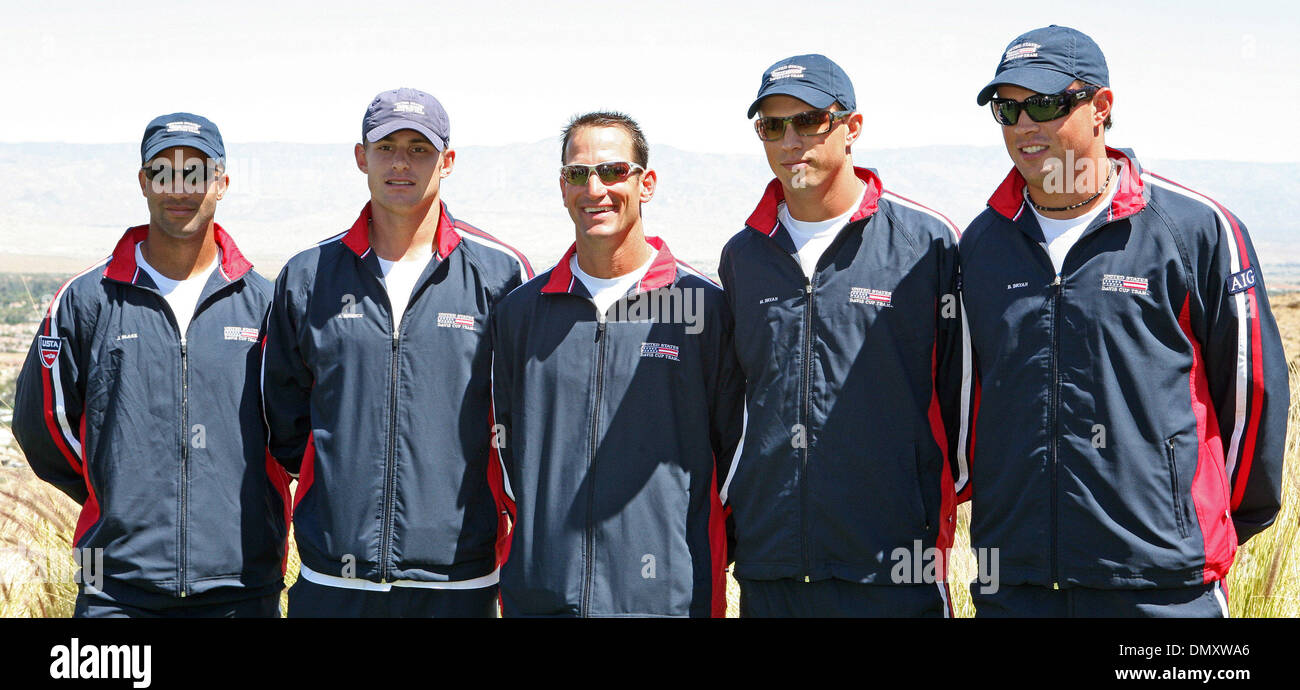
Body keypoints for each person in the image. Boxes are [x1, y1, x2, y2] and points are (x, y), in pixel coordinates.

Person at [961, 25, 1287, 617]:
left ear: (1101, 107)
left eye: (1044, 103)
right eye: (1007, 109)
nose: (1023, 125)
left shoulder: (1195, 230)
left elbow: (1253, 394)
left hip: (1162, 588)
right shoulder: (981, 244)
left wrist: (1195, 527)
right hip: (1016, 584)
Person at [260, 88, 532, 617]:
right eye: (386, 147)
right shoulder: (307, 276)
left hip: (459, 578)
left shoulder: (502, 275)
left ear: (447, 161)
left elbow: (523, 419)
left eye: (419, 148)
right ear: (361, 156)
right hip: (334, 576)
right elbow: (285, 420)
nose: (401, 163)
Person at [717, 55, 970, 617]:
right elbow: (734, 402)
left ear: (851, 128)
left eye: (809, 121)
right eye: (772, 125)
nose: (790, 140)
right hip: (772, 564)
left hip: (893, 564)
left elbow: (964, 399)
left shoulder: (925, 242)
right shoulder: (743, 255)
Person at [13, 113, 289, 617]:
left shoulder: (266, 304)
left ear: (223, 183)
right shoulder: (85, 300)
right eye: (163, 172)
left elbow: (293, 433)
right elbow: (41, 426)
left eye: (196, 173)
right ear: (143, 182)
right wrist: (117, 489)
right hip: (114, 590)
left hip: (243, 583)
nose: (178, 188)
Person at [489, 111, 744, 617]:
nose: (595, 189)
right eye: (578, 174)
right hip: (542, 599)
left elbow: (737, 460)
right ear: (562, 188)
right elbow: (503, 452)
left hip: (667, 601)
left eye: (613, 172)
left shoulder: (703, 309)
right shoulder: (520, 312)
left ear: (646, 183)